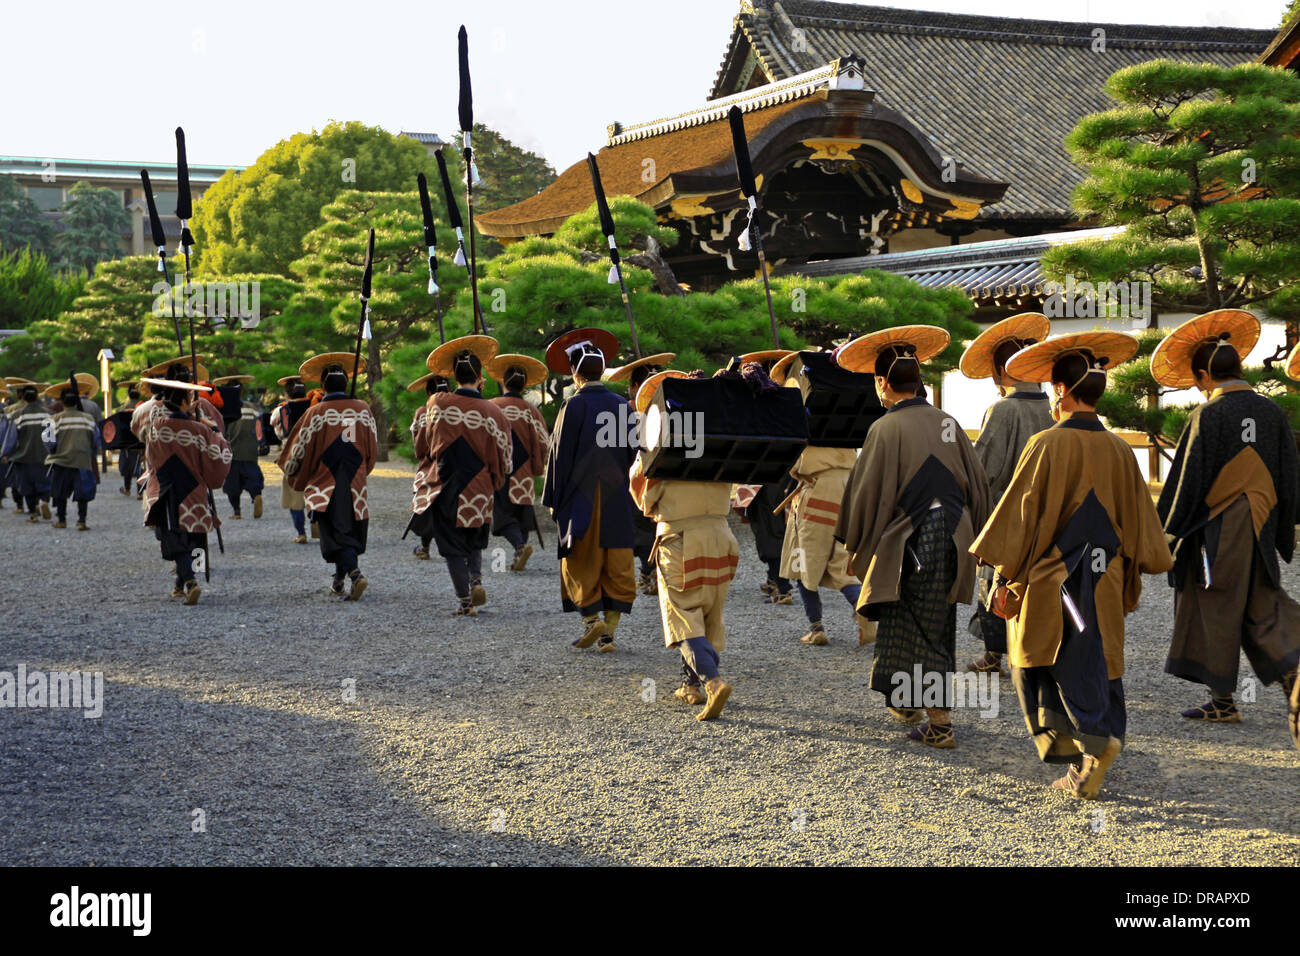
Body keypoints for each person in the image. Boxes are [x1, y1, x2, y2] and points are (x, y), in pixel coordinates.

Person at [971, 332, 1173, 798]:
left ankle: (1092, 745)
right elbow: (1144, 530)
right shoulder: (1122, 450)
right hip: (1106, 577)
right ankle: (1096, 751)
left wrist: (1004, 579)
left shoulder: (1047, 444)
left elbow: (1020, 522)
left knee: (1041, 660)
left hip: (1052, 579)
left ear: (1060, 391)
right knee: (1101, 659)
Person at [836, 327, 991, 748]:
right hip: (956, 538)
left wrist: (857, 546)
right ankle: (907, 703)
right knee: (928, 624)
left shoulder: (885, 429)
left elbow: (867, 497)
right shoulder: (948, 422)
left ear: (883, 383)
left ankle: (940, 725)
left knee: (921, 631)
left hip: (914, 545)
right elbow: (979, 489)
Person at [1156, 311, 1300, 725]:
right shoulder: (1271, 412)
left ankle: (1224, 700)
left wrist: (1167, 533)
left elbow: (1188, 480)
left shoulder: (1209, 415)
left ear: (1204, 375)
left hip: (1216, 531)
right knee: (1261, 601)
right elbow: (1290, 475)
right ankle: (1290, 669)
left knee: (1213, 607)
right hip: (1260, 524)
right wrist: (1283, 528)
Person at [630, 368, 742, 720]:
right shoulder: (724, 439)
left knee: (683, 616)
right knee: (710, 614)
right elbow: (739, 491)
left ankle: (712, 682)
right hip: (722, 536)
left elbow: (645, 497)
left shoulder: (662, 446)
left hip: (680, 538)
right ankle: (690, 686)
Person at [957, 313, 1054, 675]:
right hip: (1049, 514)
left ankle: (996, 653)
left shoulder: (1002, 409)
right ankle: (1036, 650)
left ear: (1002, 370)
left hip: (1006, 514)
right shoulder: (1053, 407)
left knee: (996, 582)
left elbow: (983, 472)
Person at [543, 328, 639, 652]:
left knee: (579, 560)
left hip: (581, 497)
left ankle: (590, 621)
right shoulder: (623, 406)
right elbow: (634, 453)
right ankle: (609, 632)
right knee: (618, 562)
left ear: (575, 373)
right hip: (618, 496)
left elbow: (559, 456)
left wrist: (554, 500)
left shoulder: (572, 407)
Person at [408, 337, 512, 616]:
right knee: (474, 535)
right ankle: (476, 577)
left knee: (452, 545)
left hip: (445, 481)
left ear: (453, 375)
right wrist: (495, 481)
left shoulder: (437, 402)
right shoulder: (494, 411)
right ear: (480, 377)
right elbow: (505, 457)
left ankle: (466, 601)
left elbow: (426, 445)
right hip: (480, 483)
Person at [770, 350, 866, 646]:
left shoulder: (799, 416)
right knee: (841, 560)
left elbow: (791, 460)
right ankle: (866, 616)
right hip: (848, 487)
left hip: (816, 489)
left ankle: (816, 627)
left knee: (804, 560)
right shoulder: (844, 413)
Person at [278, 353, 378, 600]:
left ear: (322, 387)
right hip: (355, 482)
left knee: (335, 533)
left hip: (325, 483)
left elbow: (297, 451)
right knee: (348, 531)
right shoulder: (363, 410)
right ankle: (339, 580)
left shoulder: (315, 413)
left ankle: (355, 575)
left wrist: (294, 473)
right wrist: (362, 470)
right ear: (346, 384)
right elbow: (372, 449)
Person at [132, 378, 232, 604]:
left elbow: (150, 458)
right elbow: (220, 455)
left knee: (172, 536)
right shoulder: (199, 429)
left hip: (165, 487)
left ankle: (188, 582)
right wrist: (212, 429)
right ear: (187, 401)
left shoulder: (156, 426)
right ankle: (185, 581)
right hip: (194, 488)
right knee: (193, 534)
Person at [604, 352, 675, 595]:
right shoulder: (672, 414)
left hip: (637, 479)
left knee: (642, 531)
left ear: (636, 386)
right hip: (668, 481)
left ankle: (651, 573)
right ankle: (653, 573)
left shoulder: (627, 416)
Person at [737, 349, 797, 605]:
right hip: (786, 472)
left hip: (764, 473)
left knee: (770, 530)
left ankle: (782, 585)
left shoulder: (756, 404)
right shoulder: (790, 400)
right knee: (775, 528)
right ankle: (776, 579)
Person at [487, 353, 551, 572]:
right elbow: (543, 442)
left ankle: (520, 546)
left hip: (498, 469)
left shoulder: (491, 407)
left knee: (502, 514)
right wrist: (538, 466)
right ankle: (518, 553)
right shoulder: (532, 412)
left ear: (503, 382)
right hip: (523, 472)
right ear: (523, 386)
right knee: (521, 514)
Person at [405, 371, 451, 560]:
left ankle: (425, 547)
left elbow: (419, 447)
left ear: (428, 393)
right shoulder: (459, 410)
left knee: (425, 504)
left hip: (428, 466)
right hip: (453, 467)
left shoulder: (423, 412)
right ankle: (459, 549)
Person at [44, 379, 100, 531]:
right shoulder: (88, 419)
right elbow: (96, 440)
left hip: (61, 460)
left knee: (60, 492)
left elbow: (48, 441)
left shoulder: (53, 419)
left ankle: (61, 520)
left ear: (62, 402)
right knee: (83, 492)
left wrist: (53, 451)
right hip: (82, 460)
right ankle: (81, 521)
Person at [213, 375, 265, 520]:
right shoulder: (253, 408)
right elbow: (260, 427)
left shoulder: (224, 410)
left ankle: (236, 512)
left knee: (232, 486)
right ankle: (256, 496)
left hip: (232, 452)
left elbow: (220, 430)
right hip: (250, 451)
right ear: (241, 391)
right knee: (253, 477)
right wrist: (261, 444)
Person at [269, 379, 313, 543]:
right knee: (314, 488)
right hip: (312, 452)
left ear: (286, 393)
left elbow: (279, 433)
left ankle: (301, 533)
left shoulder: (281, 410)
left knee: (294, 493)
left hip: (292, 454)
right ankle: (316, 522)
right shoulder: (314, 407)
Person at [7, 381, 53, 522]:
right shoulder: (48, 414)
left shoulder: (17, 415)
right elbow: (51, 437)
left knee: (27, 486)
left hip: (23, 456)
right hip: (44, 456)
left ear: (24, 398)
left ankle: (33, 512)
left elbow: (11, 438)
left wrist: (7, 453)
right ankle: (44, 501)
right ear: (37, 397)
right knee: (44, 482)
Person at [115, 382, 145, 498]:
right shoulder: (143, 407)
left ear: (128, 394)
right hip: (139, 439)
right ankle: (139, 491)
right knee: (139, 465)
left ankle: (127, 488)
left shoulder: (121, 409)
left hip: (126, 441)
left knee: (127, 465)